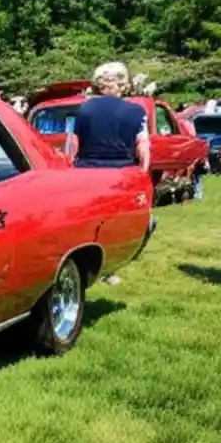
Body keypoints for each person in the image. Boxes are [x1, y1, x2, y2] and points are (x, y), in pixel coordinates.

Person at [65, 61, 151, 285]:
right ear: (122, 84)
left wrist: (69, 167)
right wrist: (143, 172)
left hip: (88, 172)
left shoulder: (84, 109)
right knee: (116, 222)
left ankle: (87, 263)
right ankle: (110, 268)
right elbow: (143, 146)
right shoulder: (136, 111)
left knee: (91, 221)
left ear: (98, 84)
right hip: (120, 172)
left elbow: (73, 144)